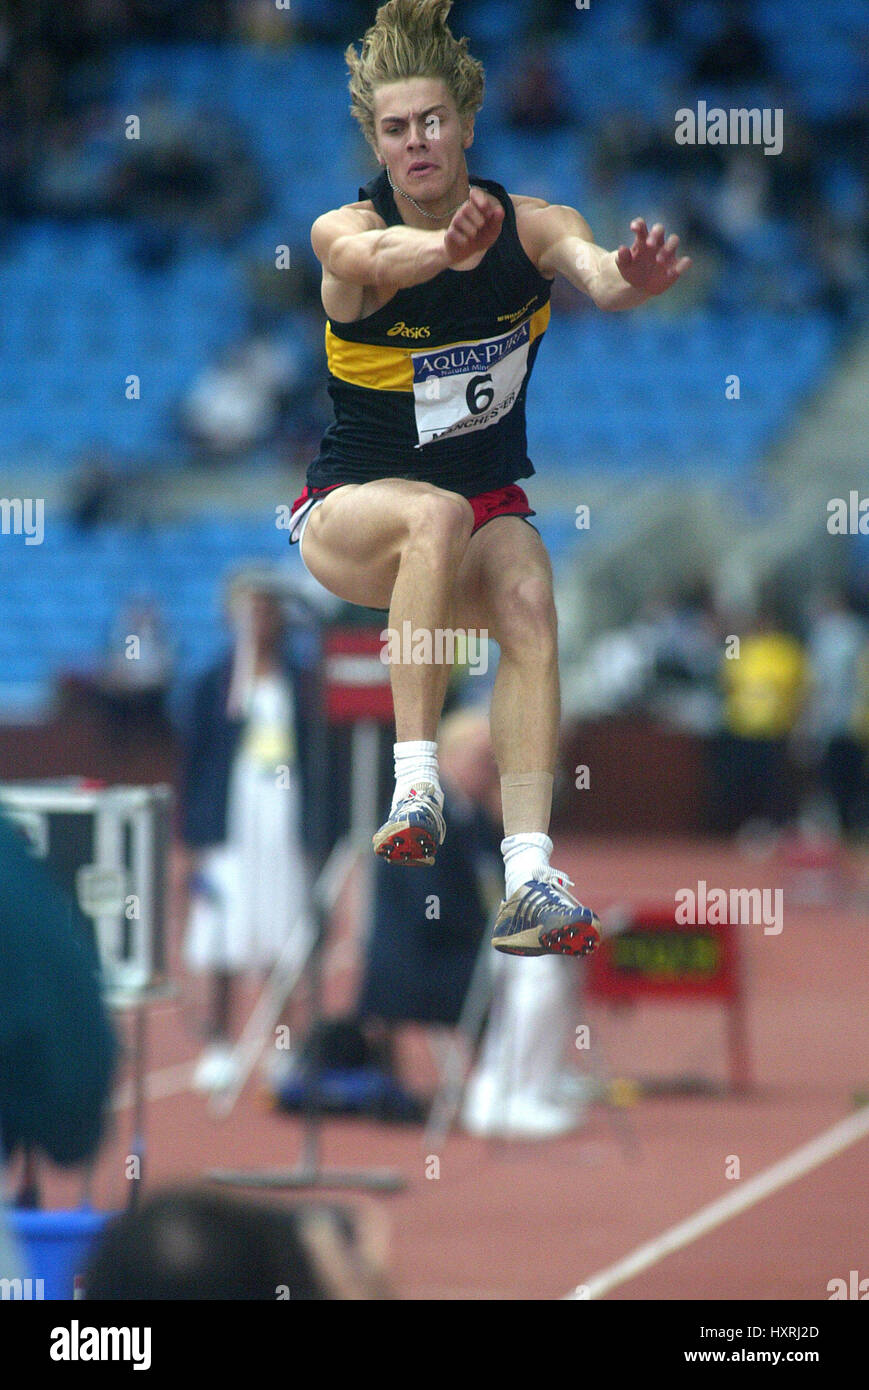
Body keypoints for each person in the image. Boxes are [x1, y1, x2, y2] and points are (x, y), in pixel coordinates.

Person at [288, 0, 690, 959]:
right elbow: (369, 256)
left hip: (479, 514)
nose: (416, 142)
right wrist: (440, 251)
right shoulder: (344, 231)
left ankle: (527, 874)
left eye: (431, 121)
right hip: (348, 515)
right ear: (377, 143)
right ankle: (416, 779)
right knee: (431, 514)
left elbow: (598, 275)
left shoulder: (535, 226)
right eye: (395, 129)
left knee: (525, 584)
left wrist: (636, 279)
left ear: (466, 122)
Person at [179, 567, 316, 1092]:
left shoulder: (301, 682)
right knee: (222, 930)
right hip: (230, 822)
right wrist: (191, 838)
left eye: (268, 610)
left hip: (284, 818)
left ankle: (282, 1044)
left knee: (285, 931)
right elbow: (194, 763)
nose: (258, 622)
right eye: (248, 611)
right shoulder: (214, 684)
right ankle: (218, 1042)